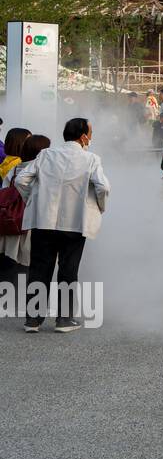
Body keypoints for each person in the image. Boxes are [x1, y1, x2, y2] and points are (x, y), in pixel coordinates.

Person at [15, 118, 111, 333]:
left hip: (43, 221)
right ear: (83, 136)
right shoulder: (91, 159)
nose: (92, 137)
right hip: (75, 222)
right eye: (91, 133)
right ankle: (64, 320)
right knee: (68, 269)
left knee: (39, 268)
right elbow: (103, 187)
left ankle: (33, 320)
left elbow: (21, 180)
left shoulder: (46, 155)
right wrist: (98, 208)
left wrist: (33, 200)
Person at [1, 134, 50, 277]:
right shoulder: (40, 172)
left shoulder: (14, 169)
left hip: (9, 223)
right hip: (27, 225)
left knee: (7, 266)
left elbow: (4, 192)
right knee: (24, 268)